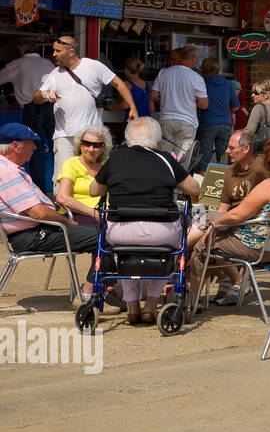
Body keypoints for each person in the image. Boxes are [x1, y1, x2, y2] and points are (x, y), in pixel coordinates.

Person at [88, 117, 200, 324]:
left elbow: (94, 191)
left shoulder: (116, 159)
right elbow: (194, 189)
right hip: (161, 231)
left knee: (124, 251)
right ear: (156, 139)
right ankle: (151, 305)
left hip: (120, 231)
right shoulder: (166, 159)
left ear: (128, 138)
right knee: (168, 250)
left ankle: (132, 305)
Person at [200, 135, 270, 307]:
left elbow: (237, 215)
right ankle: (228, 281)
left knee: (203, 243)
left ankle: (191, 302)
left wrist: (214, 225)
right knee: (210, 235)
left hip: (255, 247)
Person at [0, 122, 99, 300]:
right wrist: (67, 222)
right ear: (15, 146)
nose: (35, 147)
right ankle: (90, 292)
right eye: (31, 142)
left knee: (103, 233)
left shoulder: (7, 168)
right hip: (32, 235)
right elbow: (38, 213)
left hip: (37, 230)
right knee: (106, 238)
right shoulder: (7, 172)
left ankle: (96, 289)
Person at [34, 35, 136, 177]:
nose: (54, 54)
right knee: (63, 177)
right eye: (54, 50)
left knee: (93, 177)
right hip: (65, 136)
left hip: (91, 135)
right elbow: (35, 98)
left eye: (58, 51)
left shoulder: (93, 66)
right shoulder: (54, 74)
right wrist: (45, 94)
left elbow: (119, 83)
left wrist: (133, 107)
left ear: (71, 52)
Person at [0, 39, 55, 190]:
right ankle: (58, 188)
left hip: (32, 109)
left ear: (21, 51)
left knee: (33, 149)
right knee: (54, 148)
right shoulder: (48, 64)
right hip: (51, 107)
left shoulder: (18, 64)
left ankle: (39, 190)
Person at [150, 44, 208, 156]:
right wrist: (189, 99)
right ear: (194, 59)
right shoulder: (196, 77)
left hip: (166, 120)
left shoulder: (163, 73)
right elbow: (203, 104)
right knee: (183, 160)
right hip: (187, 122)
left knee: (164, 158)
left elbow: (153, 96)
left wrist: (167, 98)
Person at [55, 124, 113, 224]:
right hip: (80, 215)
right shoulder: (71, 164)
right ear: (80, 144)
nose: (91, 149)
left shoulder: (108, 164)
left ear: (104, 147)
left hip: (108, 214)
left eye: (96, 145)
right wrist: (93, 213)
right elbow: (62, 198)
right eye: (87, 143)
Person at [195, 58, 238, 171]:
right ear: (218, 68)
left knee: (204, 155)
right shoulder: (228, 84)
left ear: (203, 69)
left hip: (207, 122)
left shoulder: (201, 83)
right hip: (225, 123)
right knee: (225, 156)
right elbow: (235, 106)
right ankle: (223, 181)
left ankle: (202, 182)